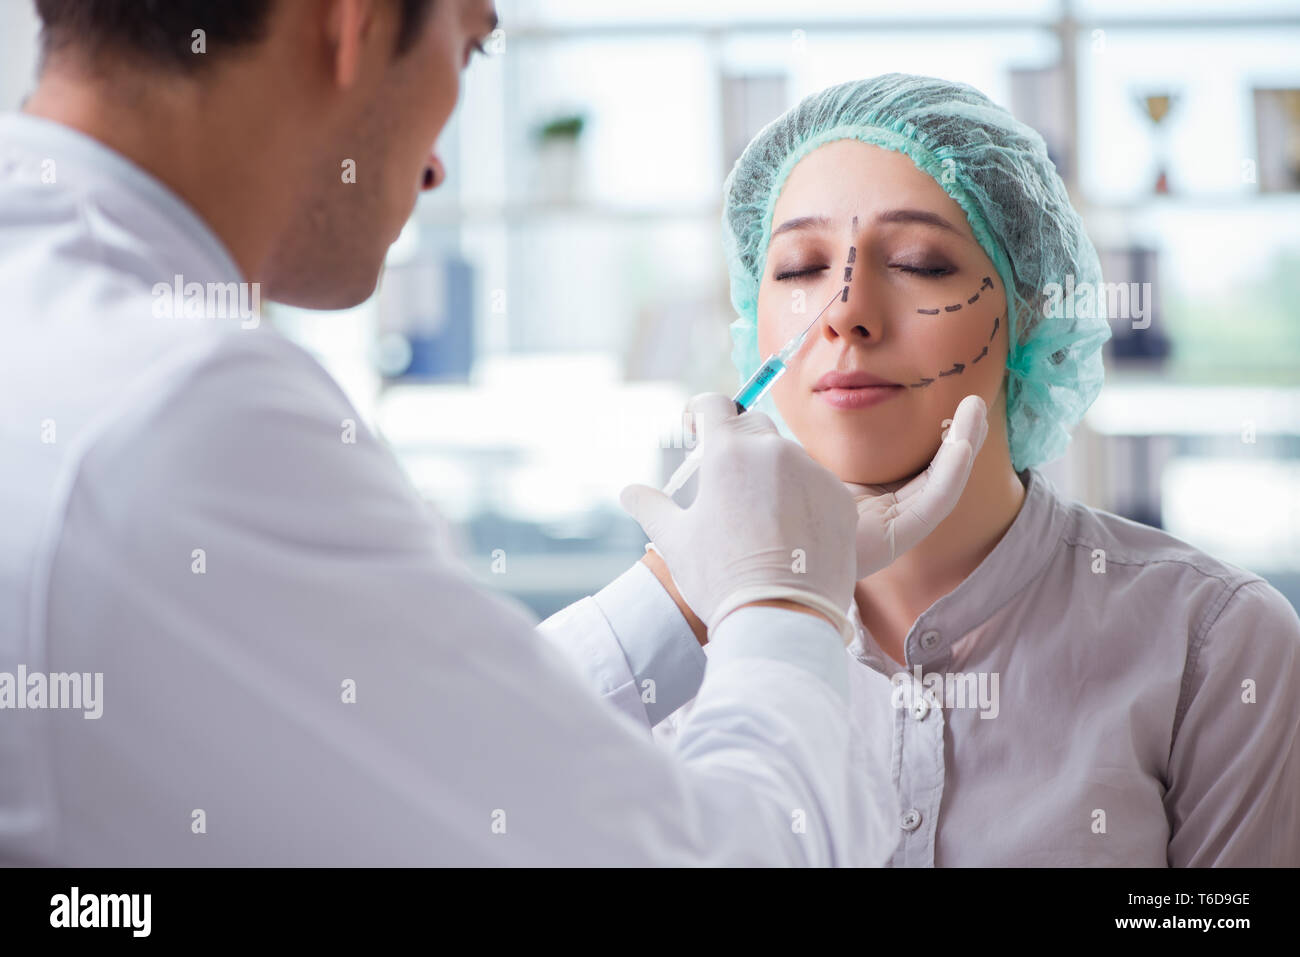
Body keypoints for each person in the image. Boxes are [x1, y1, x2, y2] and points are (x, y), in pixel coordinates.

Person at [0, 2, 984, 865]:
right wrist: (787, 612)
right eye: (468, 49)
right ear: (352, 22)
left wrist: (687, 594)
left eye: (923, 263)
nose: (435, 164)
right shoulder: (187, 412)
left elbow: (390, 742)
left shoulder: (62, 324)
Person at [548, 75, 1300, 866]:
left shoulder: (1217, 644)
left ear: (1033, 313)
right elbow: (457, 790)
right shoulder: (674, 654)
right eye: (800, 267)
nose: (844, 310)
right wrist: (686, 596)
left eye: (918, 261)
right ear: (751, 314)